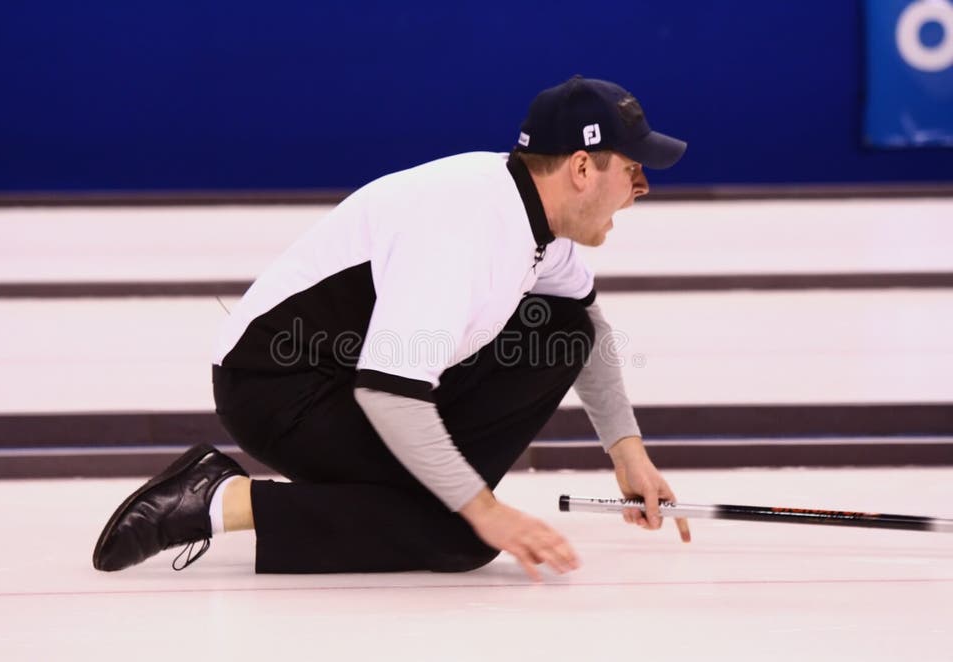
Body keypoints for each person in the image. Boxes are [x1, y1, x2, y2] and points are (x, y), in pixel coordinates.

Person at [93, 75, 692, 580]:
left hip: (353, 376)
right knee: (461, 532)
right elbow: (389, 391)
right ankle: (218, 499)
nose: (642, 186)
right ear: (583, 168)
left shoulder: (529, 212)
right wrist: (482, 510)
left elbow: (585, 321)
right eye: (634, 168)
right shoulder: (465, 229)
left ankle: (438, 499)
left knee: (563, 327)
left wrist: (627, 453)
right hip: (279, 390)